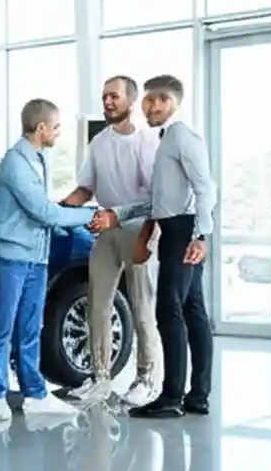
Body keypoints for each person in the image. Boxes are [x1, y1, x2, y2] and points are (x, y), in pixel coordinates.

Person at [91, 75, 216, 418]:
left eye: (159, 100)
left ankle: (171, 398)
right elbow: (157, 202)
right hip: (176, 227)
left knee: (168, 310)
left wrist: (201, 236)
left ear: (173, 102)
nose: (151, 106)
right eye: (148, 99)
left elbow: (206, 188)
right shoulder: (166, 141)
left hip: (183, 231)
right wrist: (118, 215)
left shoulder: (182, 137)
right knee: (192, 310)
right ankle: (197, 397)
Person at [0, 99, 105, 422]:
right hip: (11, 258)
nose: (58, 132)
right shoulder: (16, 162)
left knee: (30, 329)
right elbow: (43, 212)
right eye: (56, 127)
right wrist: (91, 215)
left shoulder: (39, 158)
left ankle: (35, 394)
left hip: (36, 258)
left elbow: (45, 212)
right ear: (41, 128)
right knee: (2, 329)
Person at [60, 75, 163, 406]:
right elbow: (86, 188)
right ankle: (100, 377)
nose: (107, 101)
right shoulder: (98, 143)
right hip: (107, 231)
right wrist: (61, 207)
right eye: (105, 96)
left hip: (141, 231)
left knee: (142, 308)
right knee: (97, 305)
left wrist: (117, 216)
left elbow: (157, 199)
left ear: (130, 101)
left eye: (114, 96)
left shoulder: (147, 141)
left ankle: (147, 379)